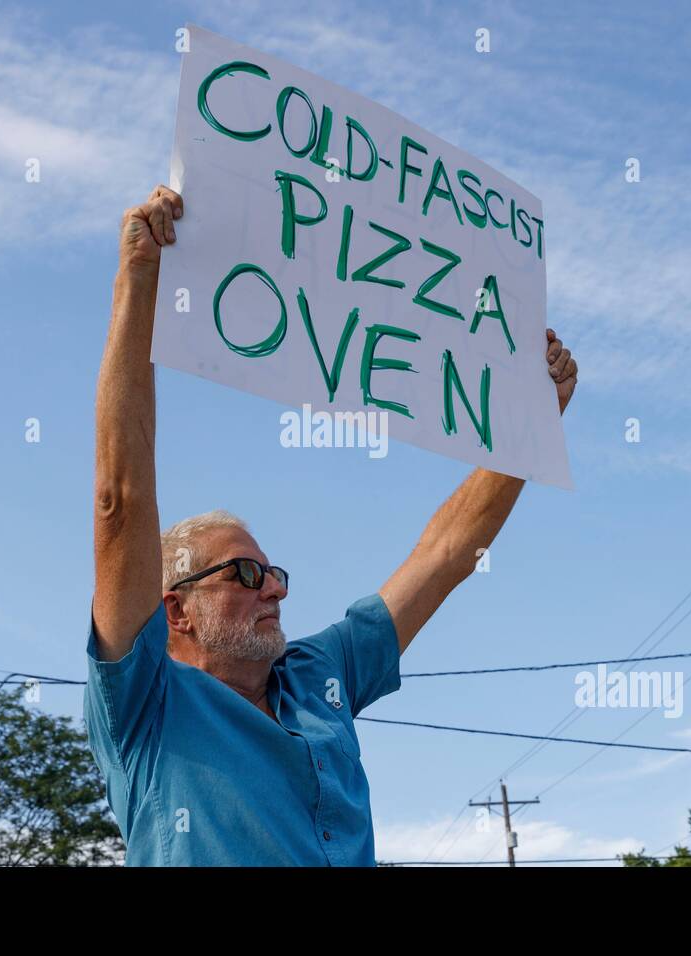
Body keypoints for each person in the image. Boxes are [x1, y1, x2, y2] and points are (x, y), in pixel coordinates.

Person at [86, 184, 578, 865]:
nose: (277, 591)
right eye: (247, 575)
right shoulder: (145, 704)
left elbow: (445, 555)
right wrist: (138, 278)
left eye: (275, 574)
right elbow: (121, 501)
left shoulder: (323, 671)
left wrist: (530, 426)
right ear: (177, 610)